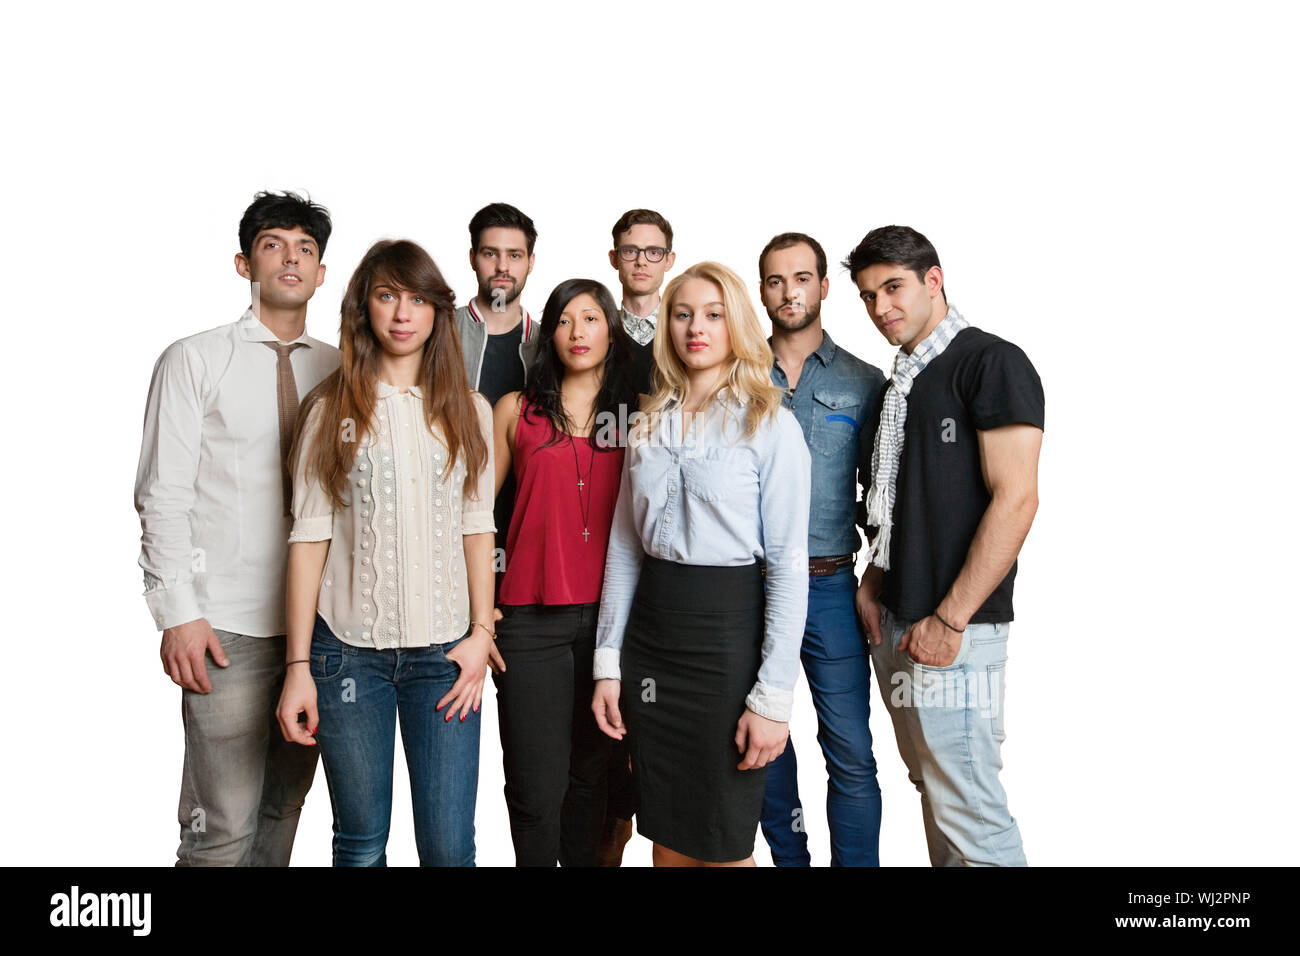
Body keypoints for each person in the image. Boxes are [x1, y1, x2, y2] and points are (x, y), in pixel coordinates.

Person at [275, 239, 500, 867]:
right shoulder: (332, 412)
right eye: (387, 296)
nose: (403, 313)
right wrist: (298, 666)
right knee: (361, 841)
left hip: (445, 657)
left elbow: (477, 527)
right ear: (364, 309)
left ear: (437, 313)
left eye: (419, 298)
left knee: (450, 849)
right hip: (347, 659)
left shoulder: (469, 412)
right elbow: (308, 540)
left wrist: (482, 632)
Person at [135, 190, 338, 866]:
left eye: (305, 248)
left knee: (283, 810)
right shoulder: (193, 359)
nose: (291, 258)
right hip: (225, 628)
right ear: (243, 263)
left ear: (321, 273)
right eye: (274, 244)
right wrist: (177, 614)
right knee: (219, 829)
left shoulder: (343, 369)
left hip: (316, 632)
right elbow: (162, 493)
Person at [592, 261, 811, 867]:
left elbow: (790, 567)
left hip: (726, 643)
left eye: (713, 315)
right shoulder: (646, 423)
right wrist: (609, 662)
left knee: (722, 835)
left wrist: (772, 696)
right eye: (683, 314)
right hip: (653, 639)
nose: (697, 328)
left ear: (736, 324)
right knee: (668, 832)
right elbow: (624, 549)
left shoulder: (771, 424)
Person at [846, 225, 1043, 867]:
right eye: (869, 295)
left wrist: (950, 618)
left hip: (954, 628)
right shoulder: (903, 384)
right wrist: (874, 583)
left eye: (894, 288)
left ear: (935, 280)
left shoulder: (990, 361)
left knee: (970, 808)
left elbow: (1017, 500)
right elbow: (901, 502)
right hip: (902, 620)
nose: (881, 309)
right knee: (936, 793)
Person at [491, 278, 638, 866]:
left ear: (611, 329)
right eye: (564, 321)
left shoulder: (639, 417)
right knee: (535, 789)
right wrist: (480, 617)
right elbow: (472, 518)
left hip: (613, 625)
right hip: (528, 622)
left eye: (592, 318)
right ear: (548, 333)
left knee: (591, 785)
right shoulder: (514, 412)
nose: (578, 333)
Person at [756, 233, 885, 867]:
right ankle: (790, 860)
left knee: (852, 753)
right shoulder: (736, 375)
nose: (789, 292)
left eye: (802, 278)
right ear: (761, 291)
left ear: (825, 287)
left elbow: (883, 497)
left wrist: (876, 578)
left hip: (829, 584)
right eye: (776, 281)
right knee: (763, 744)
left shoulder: (866, 383)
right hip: (750, 589)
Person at [454, 202, 541, 578]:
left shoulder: (552, 345)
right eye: (491, 253)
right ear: (473, 258)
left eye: (514, 255)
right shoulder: (436, 333)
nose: (503, 266)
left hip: (524, 522)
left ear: (530, 262)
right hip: (447, 516)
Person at [608, 208, 676, 395]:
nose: (641, 261)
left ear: (669, 260)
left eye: (653, 252)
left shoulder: (687, 329)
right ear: (614, 259)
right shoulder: (598, 330)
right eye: (630, 251)